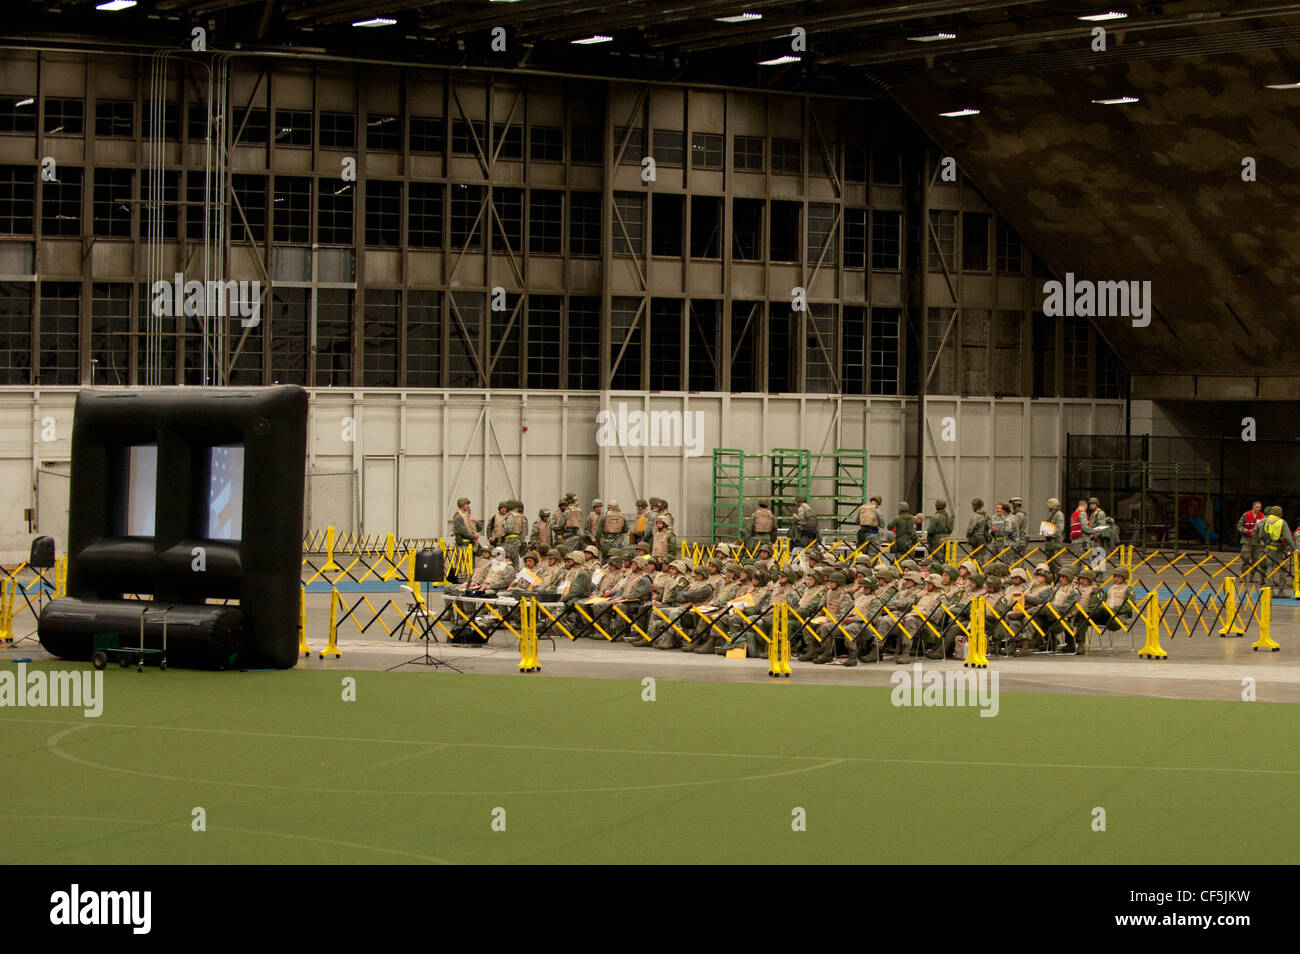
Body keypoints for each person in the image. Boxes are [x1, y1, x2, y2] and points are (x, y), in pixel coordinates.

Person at [1258, 505, 1293, 583]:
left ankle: (1268, 586)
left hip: (1267, 548)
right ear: (1280, 513)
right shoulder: (1282, 522)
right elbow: (1288, 537)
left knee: (1269, 567)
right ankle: (1281, 587)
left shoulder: (1265, 521)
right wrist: (1293, 548)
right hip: (1278, 549)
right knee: (1283, 568)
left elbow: (1260, 535)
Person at [1237, 501, 1265, 585]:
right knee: (1245, 557)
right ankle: (1244, 576)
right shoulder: (1246, 514)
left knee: (1256, 559)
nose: (1258, 509)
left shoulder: (1262, 516)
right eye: (1257, 507)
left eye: (1260, 507)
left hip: (1257, 541)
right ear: (1253, 507)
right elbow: (1239, 526)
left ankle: (1252, 576)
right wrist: (1244, 530)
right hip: (1247, 540)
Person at [1043, 497, 1067, 564]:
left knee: (1056, 562)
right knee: (1049, 562)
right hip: (1050, 543)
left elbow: (1060, 529)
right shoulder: (1053, 515)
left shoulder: (1059, 515)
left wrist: (1051, 534)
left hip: (1055, 542)